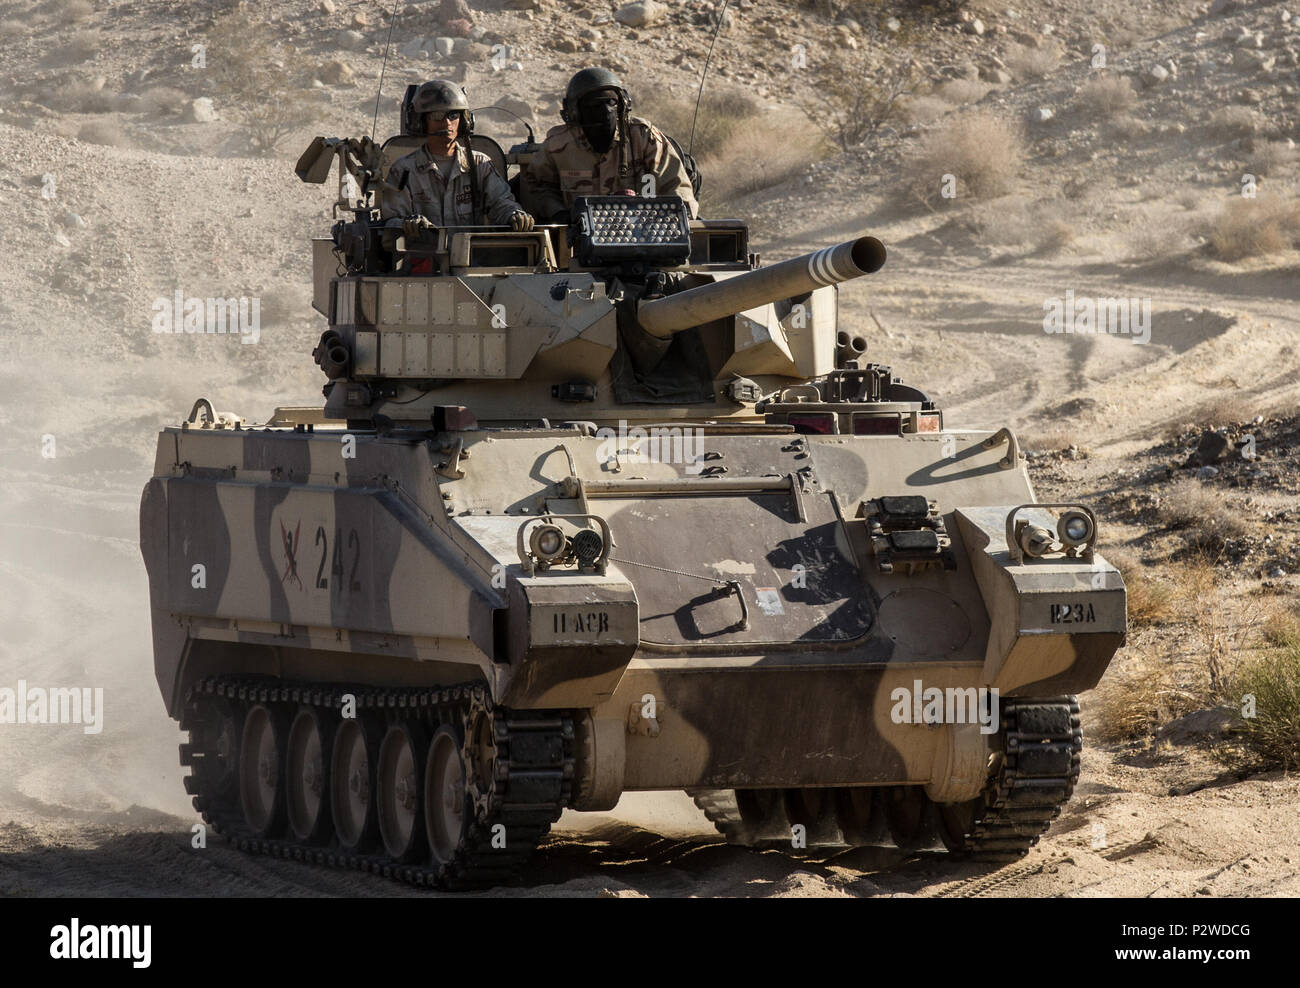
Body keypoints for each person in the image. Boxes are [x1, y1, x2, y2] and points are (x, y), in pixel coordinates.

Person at [522, 67, 699, 223]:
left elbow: (677, 187)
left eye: (611, 102)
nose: (606, 112)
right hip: (578, 242)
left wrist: (671, 221)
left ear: (623, 106)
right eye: (595, 105)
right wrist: (559, 213)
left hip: (643, 234)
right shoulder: (558, 145)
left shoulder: (643, 137)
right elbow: (537, 187)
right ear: (576, 111)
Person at [380, 79, 534, 245]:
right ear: (421, 121)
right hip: (423, 261)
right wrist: (407, 224)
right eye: (437, 116)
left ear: (465, 120)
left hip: (471, 260)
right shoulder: (404, 170)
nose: (447, 123)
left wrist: (514, 214)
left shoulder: (479, 164)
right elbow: (390, 224)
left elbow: (501, 203)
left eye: (453, 116)